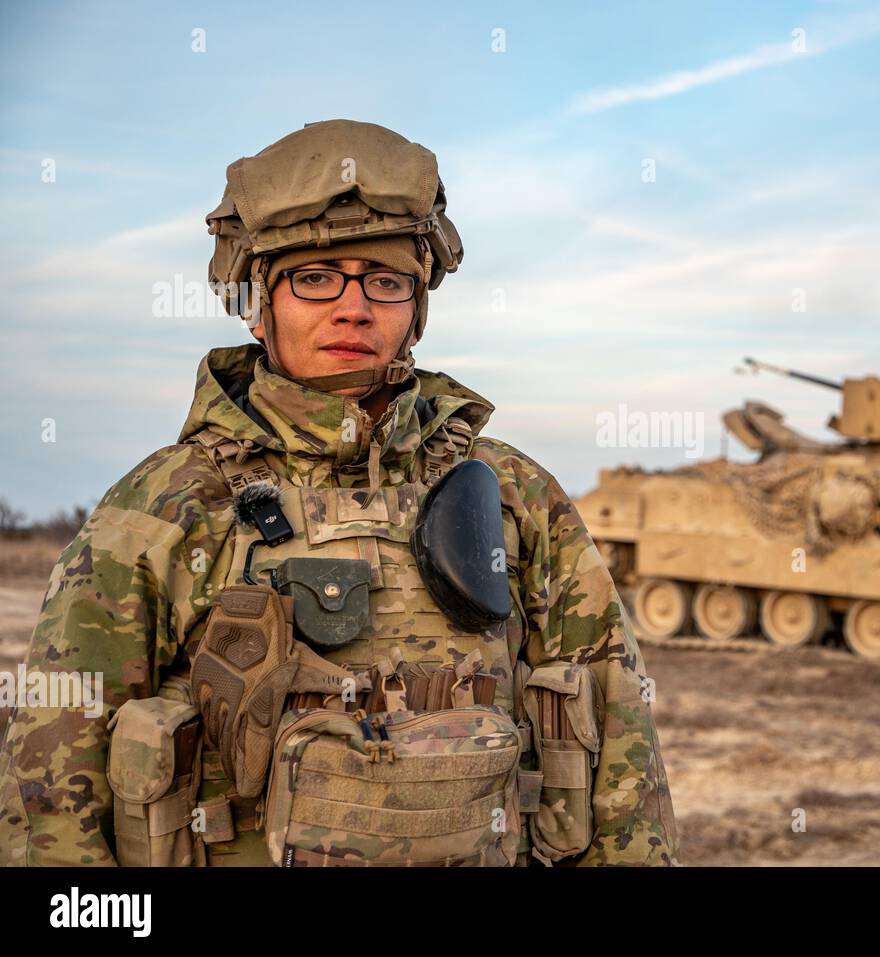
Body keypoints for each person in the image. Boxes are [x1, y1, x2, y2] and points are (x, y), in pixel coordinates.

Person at [0, 120, 678, 867]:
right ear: (259, 303)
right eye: (316, 277)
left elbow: (620, 747)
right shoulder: (165, 507)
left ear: (416, 308)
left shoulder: (516, 496)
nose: (353, 308)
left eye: (385, 281)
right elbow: (52, 795)